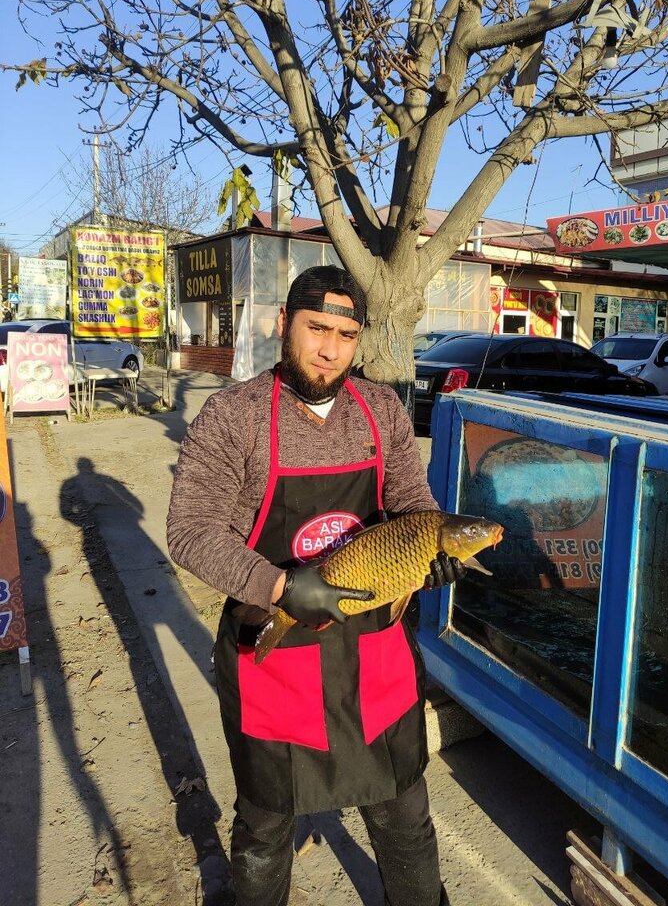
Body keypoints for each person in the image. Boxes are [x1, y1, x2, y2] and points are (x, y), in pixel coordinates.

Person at [167, 265, 466, 906]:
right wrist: (277, 588)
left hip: (375, 655)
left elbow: (413, 502)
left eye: (347, 335)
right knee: (265, 829)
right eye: (316, 329)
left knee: (404, 817)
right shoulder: (232, 417)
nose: (330, 350)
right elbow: (190, 532)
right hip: (277, 659)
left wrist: (433, 543)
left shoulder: (381, 408)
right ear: (284, 326)